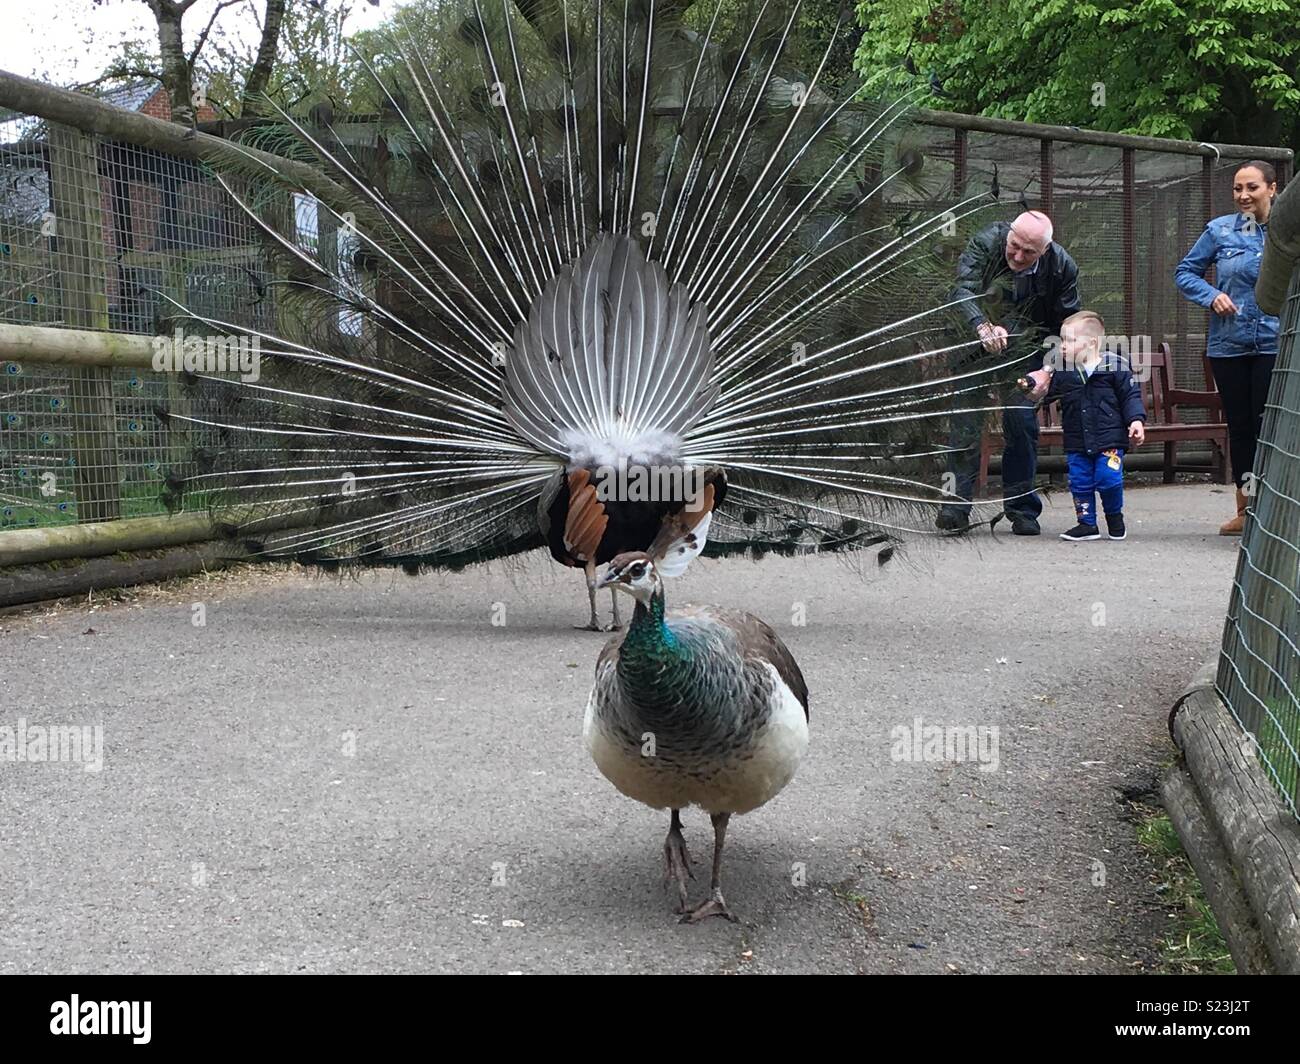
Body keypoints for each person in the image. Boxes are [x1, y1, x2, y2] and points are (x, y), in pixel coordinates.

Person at [937, 210, 1081, 535]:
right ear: (1009, 234)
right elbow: (961, 288)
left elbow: (1069, 326)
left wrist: (1047, 371)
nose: (1017, 255)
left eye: (1028, 252)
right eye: (1013, 245)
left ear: (1045, 250)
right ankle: (954, 509)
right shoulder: (986, 242)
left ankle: (1022, 509)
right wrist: (981, 324)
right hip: (976, 345)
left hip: (1027, 350)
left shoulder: (1062, 267)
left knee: (1020, 419)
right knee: (966, 422)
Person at [1174, 160, 1280, 535]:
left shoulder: (1287, 232)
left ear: (1272, 188)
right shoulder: (1219, 231)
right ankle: (1246, 509)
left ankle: (1278, 507)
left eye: (1251, 187)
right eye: (1237, 188)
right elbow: (1184, 272)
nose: (1243, 195)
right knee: (1241, 426)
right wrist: (1212, 294)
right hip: (1229, 346)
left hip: (1275, 343)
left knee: (1271, 423)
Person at [1026, 311, 1146, 541]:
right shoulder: (1064, 373)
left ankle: (1114, 516)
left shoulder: (1115, 367)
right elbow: (1045, 396)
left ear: (1091, 343)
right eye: (1061, 340)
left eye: (1070, 341)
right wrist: (1033, 391)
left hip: (1109, 439)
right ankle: (1086, 524)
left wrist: (1136, 421)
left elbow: (1131, 396)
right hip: (1076, 439)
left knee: (1108, 479)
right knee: (1080, 482)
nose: (1062, 346)